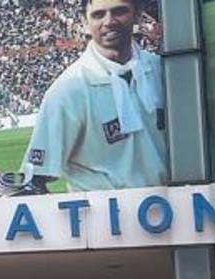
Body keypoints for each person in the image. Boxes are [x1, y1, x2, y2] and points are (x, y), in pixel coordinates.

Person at [15, 0, 166, 193]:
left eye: (119, 12)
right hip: (104, 216)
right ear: (85, 23)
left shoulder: (161, 69)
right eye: (98, 15)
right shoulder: (68, 90)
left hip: (171, 210)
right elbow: (34, 179)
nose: (109, 21)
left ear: (137, 15)